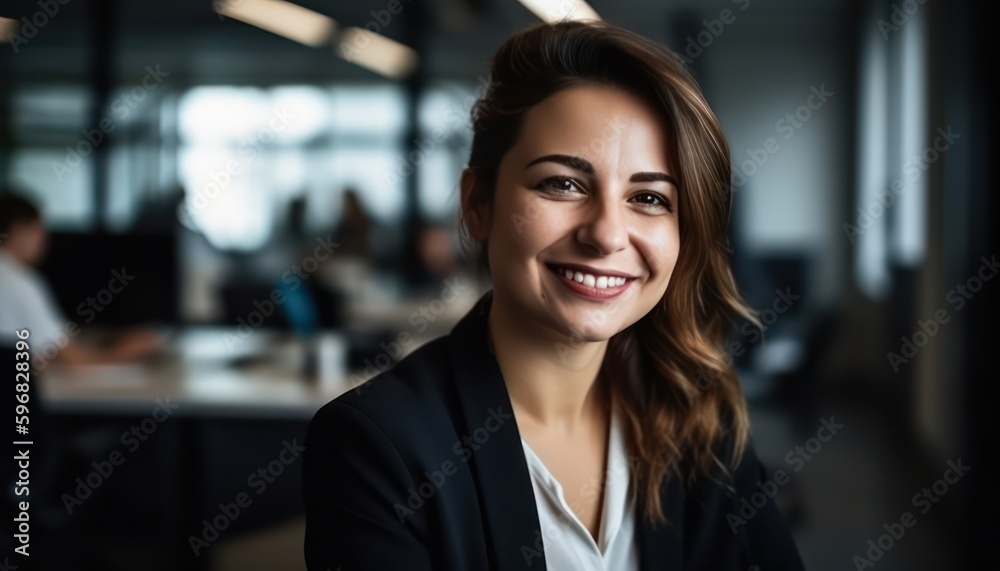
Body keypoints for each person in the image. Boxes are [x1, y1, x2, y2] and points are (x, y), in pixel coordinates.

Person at [302, 20, 806, 571]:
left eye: (649, 197)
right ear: (477, 203)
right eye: (562, 184)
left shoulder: (697, 416)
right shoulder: (380, 447)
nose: (608, 234)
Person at [0, 191, 161, 364]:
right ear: (19, 230)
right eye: (38, 230)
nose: (45, 240)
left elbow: (48, 350)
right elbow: (75, 362)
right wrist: (126, 352)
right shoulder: (20, 282)